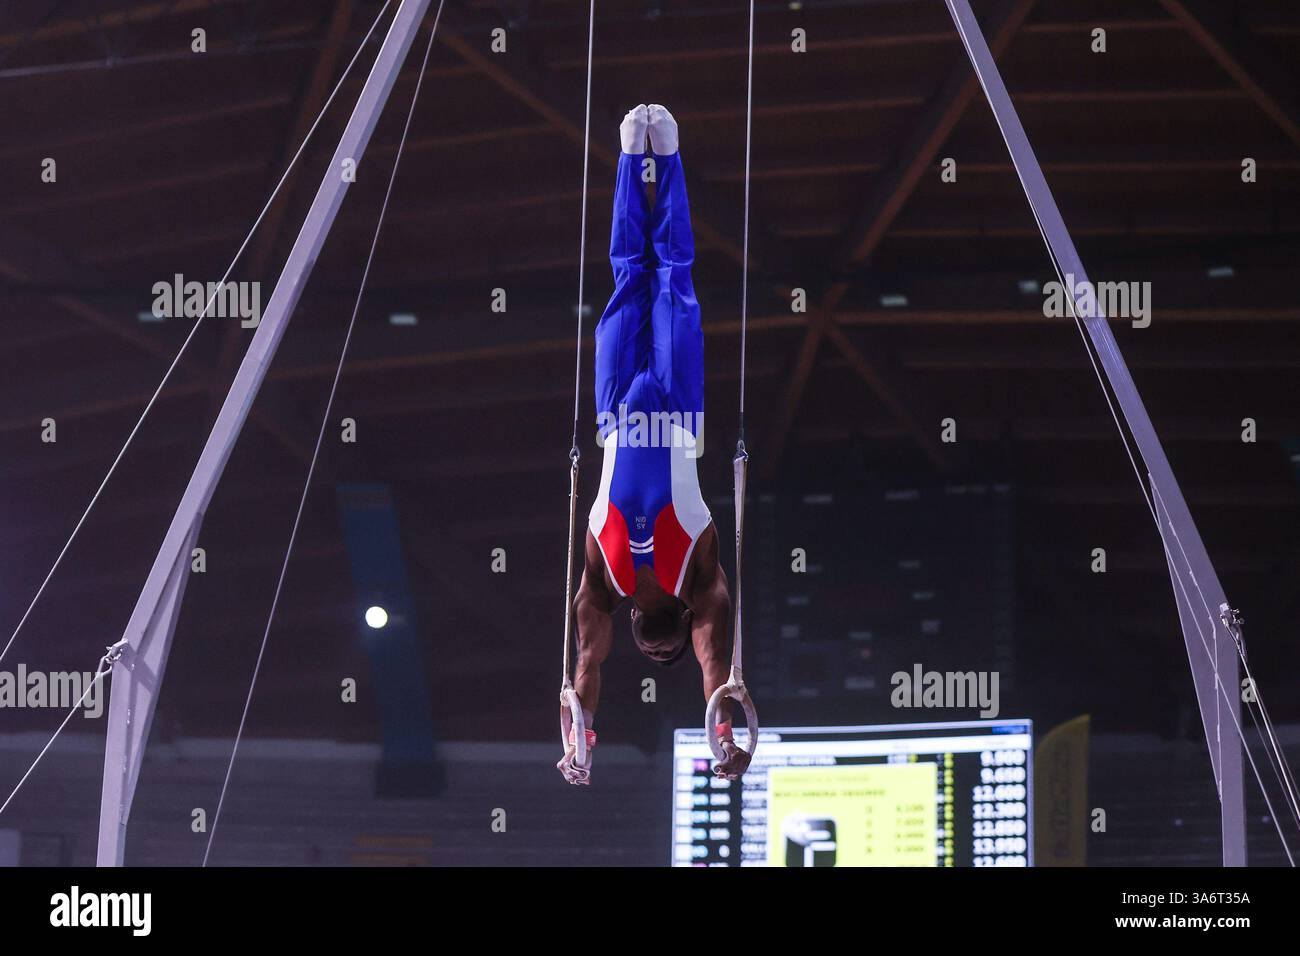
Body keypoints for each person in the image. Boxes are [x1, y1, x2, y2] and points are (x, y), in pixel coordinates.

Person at [558, 104, 750, 785]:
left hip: (633, 410)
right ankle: (651, 155)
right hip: (661, 405)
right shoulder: (662, 583)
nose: (655, 649)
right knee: (657, 274)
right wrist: (721, 736)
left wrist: (582, 741)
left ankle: (642, 155)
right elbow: (706, 663)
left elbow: (596, 669)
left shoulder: (628, 586)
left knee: (643, 275)